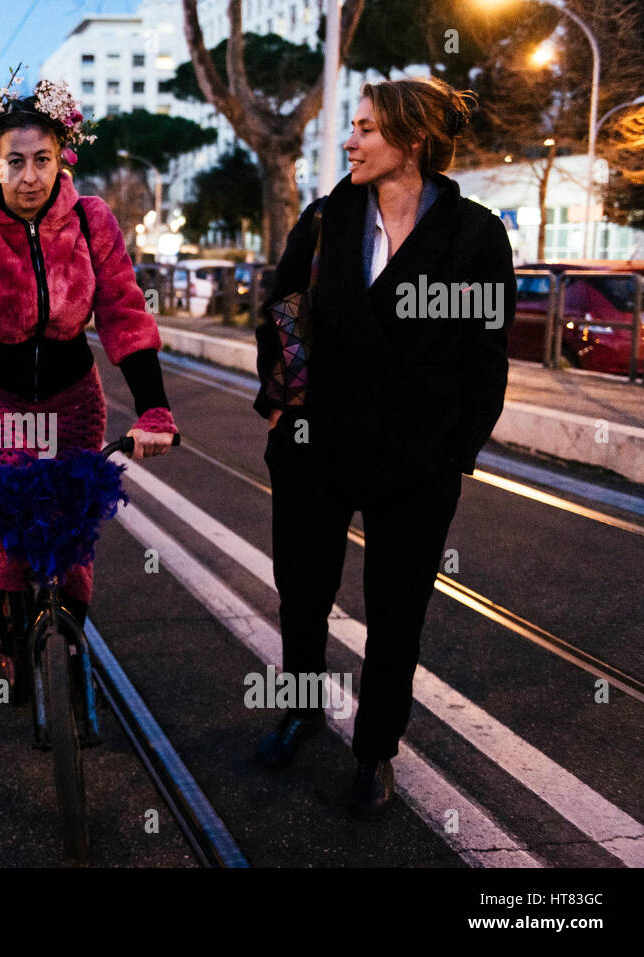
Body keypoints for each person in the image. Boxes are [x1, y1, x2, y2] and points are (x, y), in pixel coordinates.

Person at [252, 76, 515, 818]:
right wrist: (280, 406)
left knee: (396, 613)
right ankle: (301, 707)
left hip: (414, 459)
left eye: (366, 128)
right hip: (317, 446)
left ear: (414, 140)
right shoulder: (328, 220)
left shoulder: (473, 234)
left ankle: (374, 751)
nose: (350, 140)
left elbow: (486, 354)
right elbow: (281, 312)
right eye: (352, 127)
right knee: (303, 593)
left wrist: (455, 450)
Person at [0, 74, 177, 695]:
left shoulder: (92, 220)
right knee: (10, 543)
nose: (30, 176)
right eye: (15, 162)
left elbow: (126, 314)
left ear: (62, 158)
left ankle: (70, 648)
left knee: (72, 542)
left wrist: (154, 407)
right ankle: (4, 619)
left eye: (42, 160)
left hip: (75, 395)